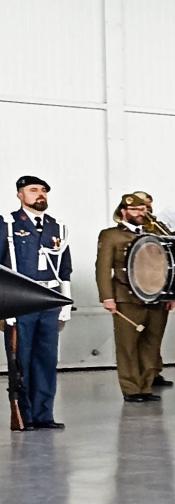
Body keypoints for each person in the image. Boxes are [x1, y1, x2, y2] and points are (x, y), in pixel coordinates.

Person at [1, 176, 71, 430]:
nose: (40, 195)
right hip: (20, 302)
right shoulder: (7, 224)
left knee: (46, 360)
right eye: (33, 190)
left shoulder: (57, 226)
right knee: (21, 361)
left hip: (49, 300)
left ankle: (44, 414)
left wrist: (64, 304)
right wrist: (4, 307)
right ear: (20, 195)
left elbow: (64, 268)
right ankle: (24, 416)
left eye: (43, 191)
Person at [95, 193, 171, 403]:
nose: (141, 213)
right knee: (127, 346)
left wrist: (172, 293)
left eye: (144, 209)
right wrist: (107, 297)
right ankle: (131, 388)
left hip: (156, 298)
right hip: (126, 297)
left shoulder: (157, 232)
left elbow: (171, 263)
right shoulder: (111, 235)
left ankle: (146, 386)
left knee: (151, 344)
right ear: (123, 212)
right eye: (136, 210)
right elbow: (102, 268)